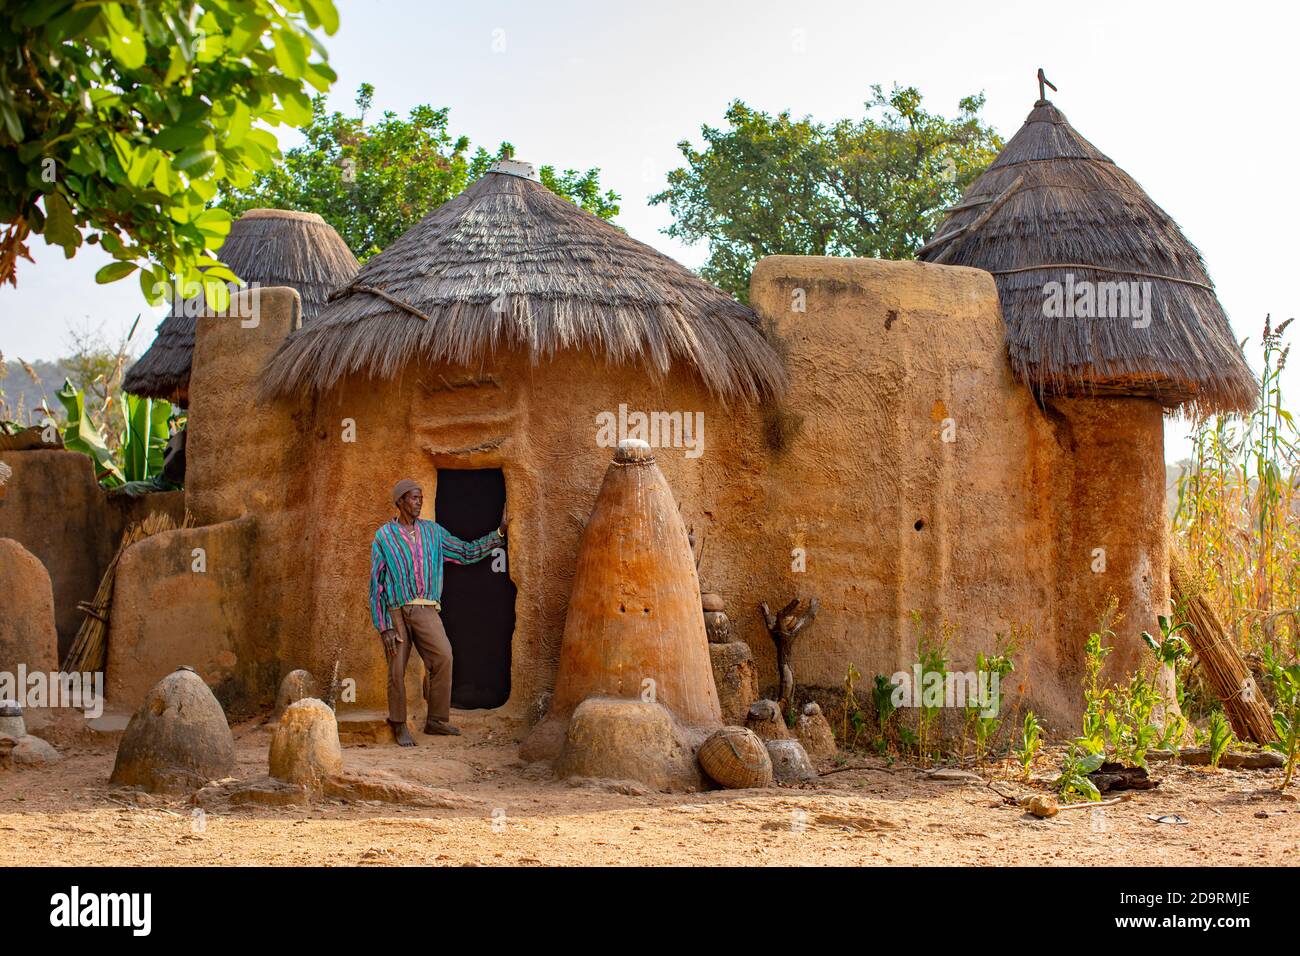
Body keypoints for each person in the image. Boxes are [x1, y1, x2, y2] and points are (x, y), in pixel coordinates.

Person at [369, 478, 506, 746]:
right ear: (400, 502)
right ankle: (399, 724)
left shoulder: (433, 532)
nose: (419, 502)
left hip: (427, 608)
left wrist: (498, 534)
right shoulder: (383, 536)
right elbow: (376, 583)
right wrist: (383, 625)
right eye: (413, 498)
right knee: (396, 667)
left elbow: (465, 552)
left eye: (420, 498)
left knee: (443, 656)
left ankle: (436, 720)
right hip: (396, 611)